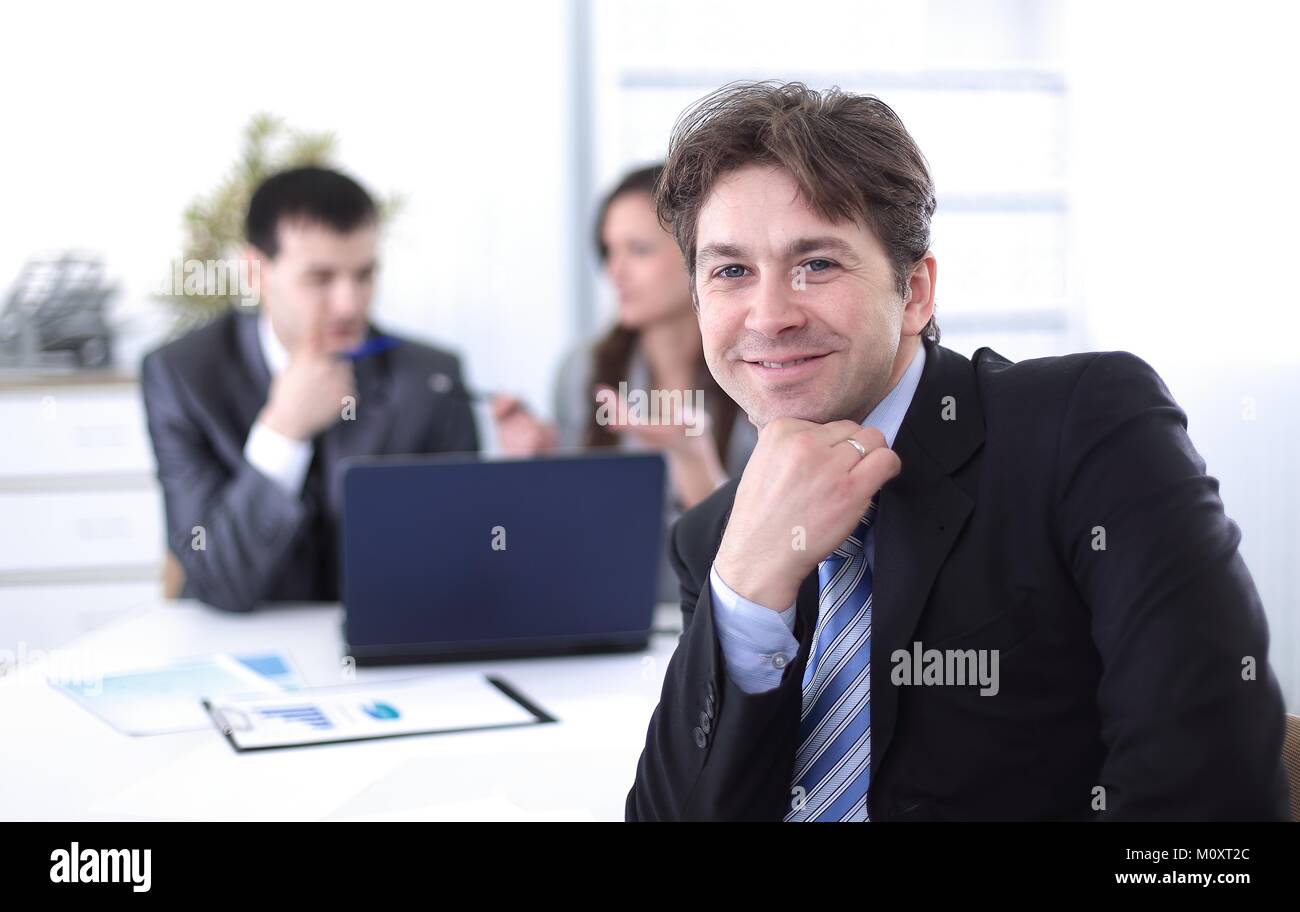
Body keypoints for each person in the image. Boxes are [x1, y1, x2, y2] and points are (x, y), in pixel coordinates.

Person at [626, 82, 1289, 821]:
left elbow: (1211, 794)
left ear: (914, 291)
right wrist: (745, 586)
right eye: (731, 271)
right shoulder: (716, 538)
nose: (771, 315)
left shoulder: (1083, 426)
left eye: (817, 263)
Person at [142, 166, 478, 613]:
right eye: (320, 279)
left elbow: (464, 566)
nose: (349, 303)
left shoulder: (431, 379)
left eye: (364, 275)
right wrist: (283, 432)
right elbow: (216, 579)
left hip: (389, 653)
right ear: (256, 272)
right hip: (238, 650)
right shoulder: (183, 376)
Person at [491, 165, 756, 600]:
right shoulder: (583, 371)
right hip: (611, 617)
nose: (615, 271)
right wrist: (538, 471)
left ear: (703, 253)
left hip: (720, 620)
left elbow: (763, 557)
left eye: (638, 250)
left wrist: (693, 462)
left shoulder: (761, 369)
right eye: (608, 251)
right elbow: (565, 546)